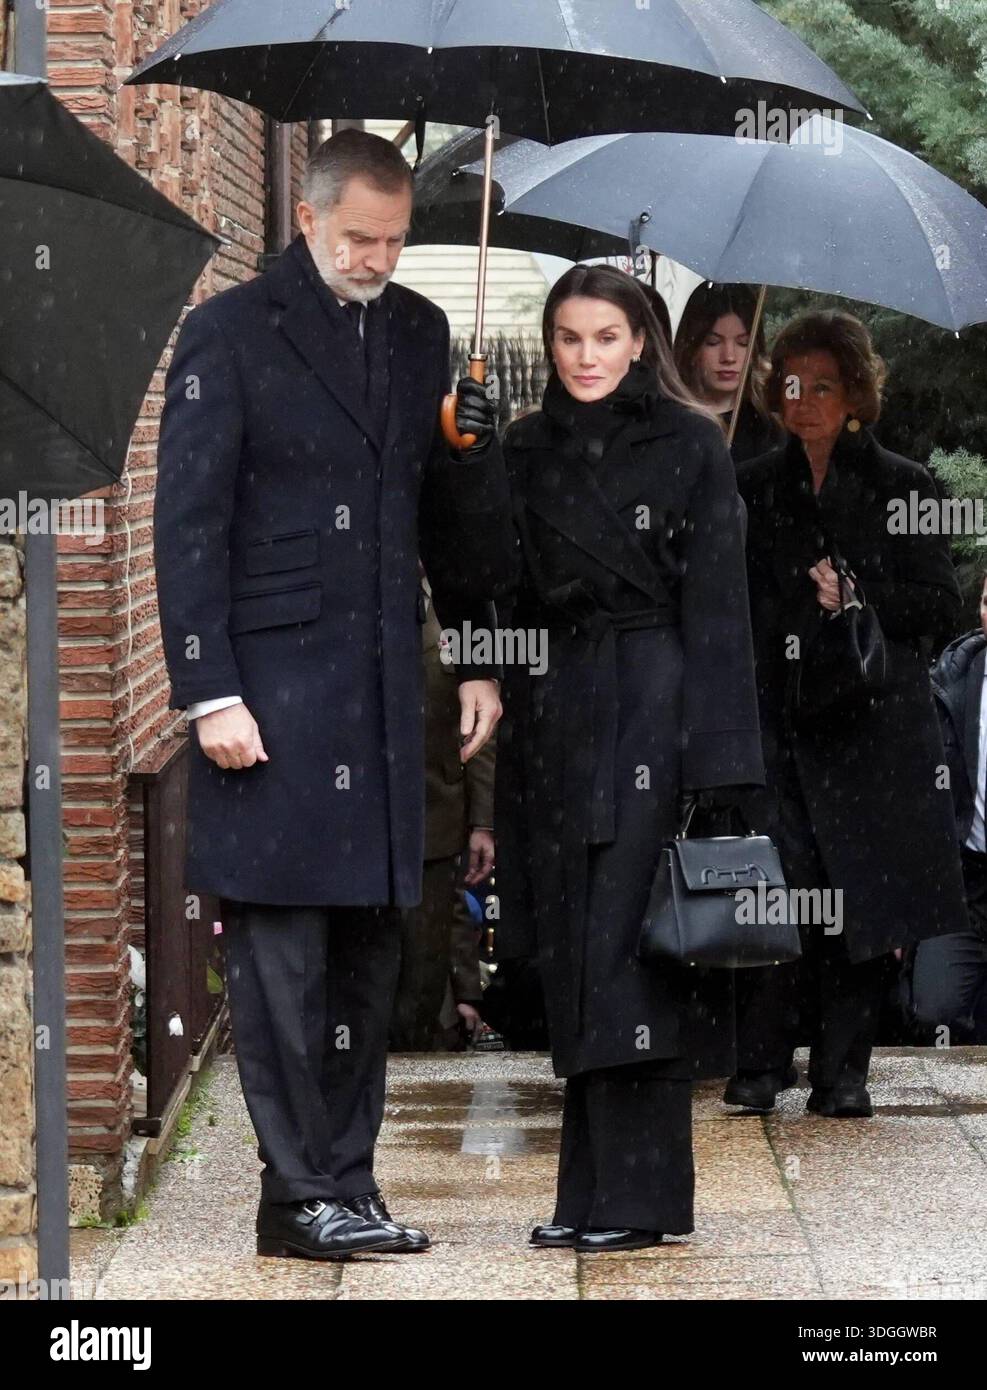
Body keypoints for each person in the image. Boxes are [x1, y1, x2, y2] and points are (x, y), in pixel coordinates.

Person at [154, 129, 513, 1261]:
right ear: (307, 220)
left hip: (383, 696)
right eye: (359, 237)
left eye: (396, 240)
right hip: (267, 700)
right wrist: (210, 692)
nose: (377, 258)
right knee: (279, 958)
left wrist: (483, 647)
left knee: (373, 945)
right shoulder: (225, 334)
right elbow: (188, 527)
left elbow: (447, 517)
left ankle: (344, 1183)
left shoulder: (420, 334)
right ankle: (295, 1187)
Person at [491, 263, 764, 1252]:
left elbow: (721, 615)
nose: (586, 357)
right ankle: (590, 1195)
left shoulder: (694, 444)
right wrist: (465, 455)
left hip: (657, 709)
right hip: (558, 715)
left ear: (641, 340)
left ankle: (642, 1201)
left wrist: (723, 772)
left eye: (605, 337)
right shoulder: (522, 448)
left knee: (631, 957)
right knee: (575, 955)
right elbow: (491, 577)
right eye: (569, 338)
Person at [729, 309, 968, 1118]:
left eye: (823, 386)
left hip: (871, 728)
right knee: (782, 888)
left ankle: (842, 1071)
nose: (805, 401)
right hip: (782, 720)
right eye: (791, 384)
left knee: (857, 898)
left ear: (856, 393)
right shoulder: (753, 484)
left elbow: (938, 601)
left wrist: (859, 592)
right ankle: (761, 1064)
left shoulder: (906, 484)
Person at [391, 572, 497, 1050]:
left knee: (422, 964)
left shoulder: (459, 611)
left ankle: (421, 1045)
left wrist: (483, 823)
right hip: (363, 816)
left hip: (436, 816)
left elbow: (479, 734)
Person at [909, 573, 987, 1041]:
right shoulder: (954, 679)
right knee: (930, 1012)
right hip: (964, 884)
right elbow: (919, 795)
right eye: (985, 601)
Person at [674, 281, 783, 465]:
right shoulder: (668, 420)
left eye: (743, 343)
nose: (729, 357)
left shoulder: (770, 426)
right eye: (713, 342)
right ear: (691, 347)